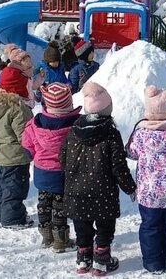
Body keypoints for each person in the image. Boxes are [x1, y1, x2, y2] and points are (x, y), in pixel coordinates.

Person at [62, 81, 137, 276]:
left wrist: (71, 177)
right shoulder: (111, 133)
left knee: (82, 225)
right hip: (103, 191)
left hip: (76, 190)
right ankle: (102, 261)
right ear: (107, 110)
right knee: (105, 227)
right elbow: (118, 166)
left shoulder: (73, 131)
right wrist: (129, 187)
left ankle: (83, 260)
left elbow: (63, 158)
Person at [127, 86, 166, 275]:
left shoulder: (141, 134)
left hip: (149, 194)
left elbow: (131, 152)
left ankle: (153, 263)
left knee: (150, 227)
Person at [23, 82, 80, 253]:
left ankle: (46, 236)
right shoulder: (76, 124)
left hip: (42, 171)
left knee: (44, 204)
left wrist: (35, 156)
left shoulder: (35, 123)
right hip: (63, 173)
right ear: (68, 103)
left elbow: (27, 145)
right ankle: (60, 241)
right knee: (59, 206)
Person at [0, 83, 34, 229]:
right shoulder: (16, 107)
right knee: (15, 188)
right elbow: (25, 134)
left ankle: (1, 214)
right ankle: (13, 219)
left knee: (2, 187)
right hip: (15, 155)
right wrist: (34, 149)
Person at [0, 43, 44, 108]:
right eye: (26, 61)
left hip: (28, 104)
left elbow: (32, 86)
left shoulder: (27, 72)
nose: (29, 63)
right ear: (18, 62)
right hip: (20, 105)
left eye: (29, 61)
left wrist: (40, 77)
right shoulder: (13, 74)